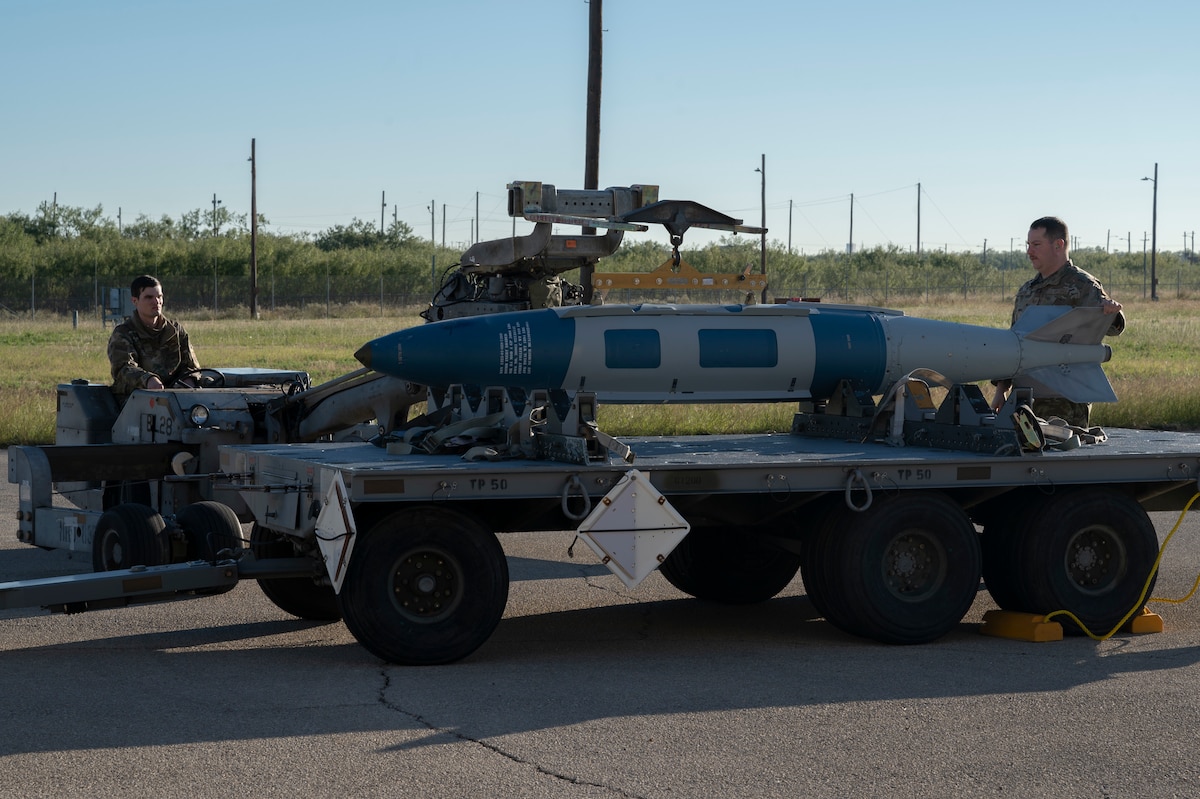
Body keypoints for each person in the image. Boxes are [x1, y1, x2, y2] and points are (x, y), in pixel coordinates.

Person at [990, 216, 1124, 427]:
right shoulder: (1027, 291)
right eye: (1028, 244)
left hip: (1065, 400)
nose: (1029, 251)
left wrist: (1111, 312)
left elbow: (1112, 329)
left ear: (1058, 245)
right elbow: (1014, 344)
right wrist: (1001, 390)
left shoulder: (1083, 286)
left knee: (1060, 457)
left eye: (1036, 245)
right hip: (1024, 397)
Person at [108, 275, 202, 400]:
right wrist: (148, 380)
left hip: (175, 396)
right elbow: (123, 370)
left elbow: (191, 366)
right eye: (149, 297)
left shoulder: (175, 330)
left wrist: (189, 380)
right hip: (137, 398)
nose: (156, 301)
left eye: (159, 297)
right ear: (135, 301)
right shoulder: (124, 333)